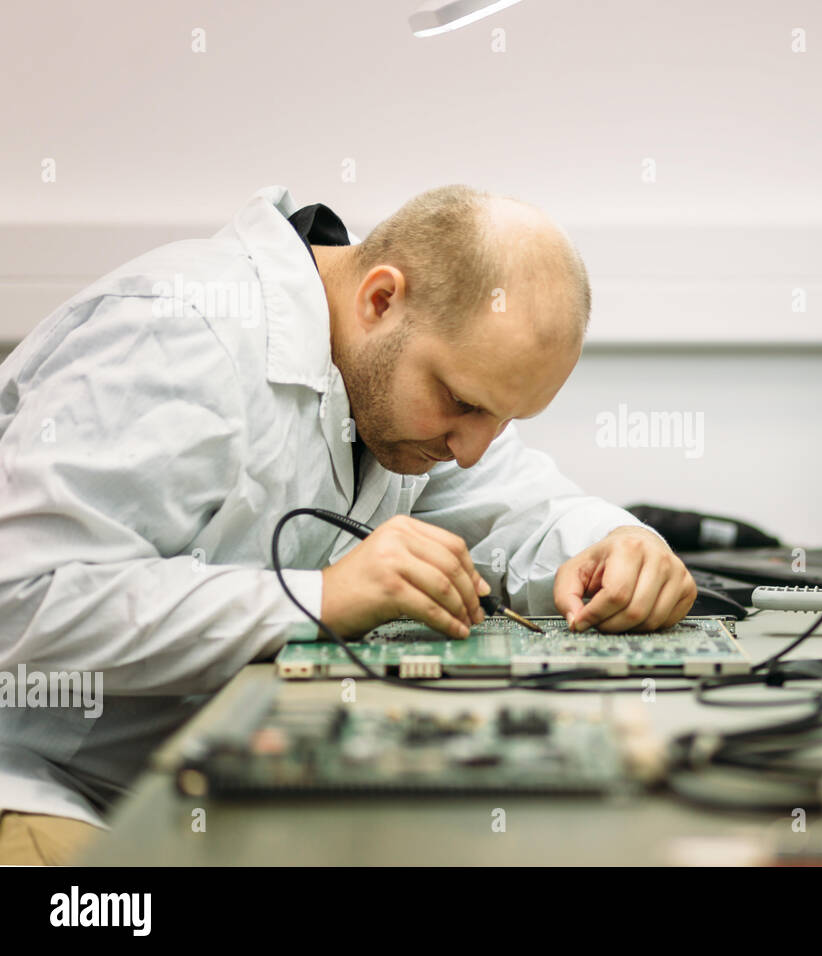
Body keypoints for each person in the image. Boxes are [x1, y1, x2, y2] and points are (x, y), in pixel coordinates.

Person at [0, 185, 696, 863]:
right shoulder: (177, 335)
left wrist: (618, 545)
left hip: (198, 779)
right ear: (381, 299)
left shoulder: (389, 381)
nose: (472, 445)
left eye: (502, 418)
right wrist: (319, 598)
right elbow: (22, 594)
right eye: (460, 402)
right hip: (40, 785)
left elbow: (526, 506)